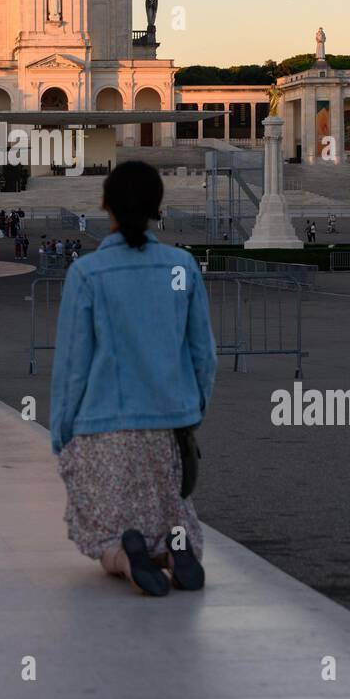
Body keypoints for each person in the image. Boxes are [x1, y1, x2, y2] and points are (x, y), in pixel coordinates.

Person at [50, 161, 217, 597]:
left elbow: (72, 365)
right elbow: (203, 354)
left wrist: (62, 432)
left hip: (103, 427)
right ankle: (173, 550)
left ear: (106, 205)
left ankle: (127, 558)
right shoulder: (182, 266)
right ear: (157, 207)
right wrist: (192, 409)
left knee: (104, 531)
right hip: (166, 424)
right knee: (168, 513)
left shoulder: (86, 273)